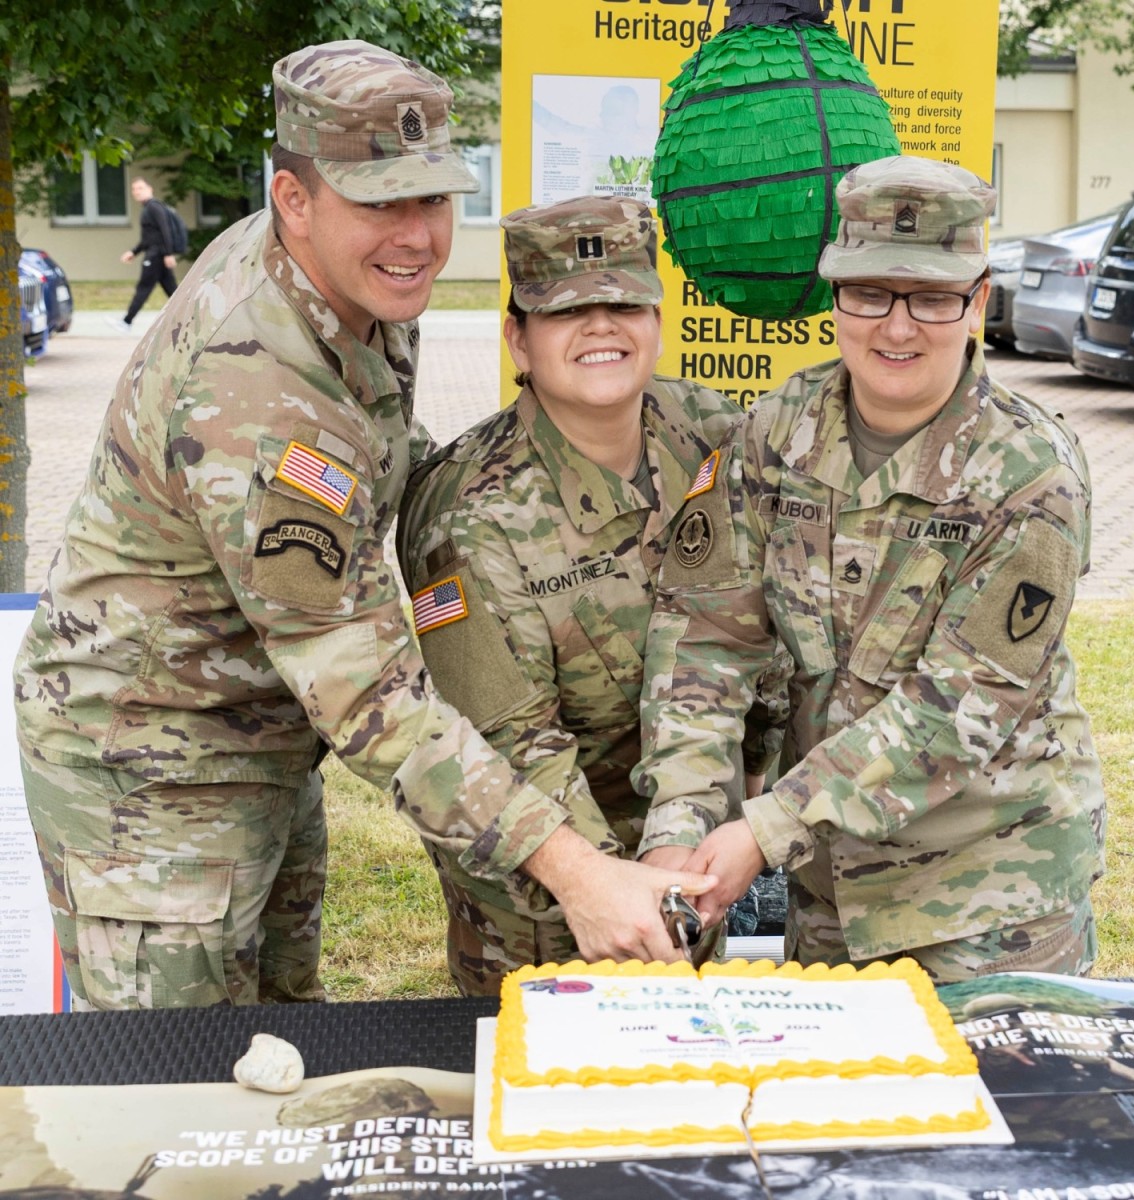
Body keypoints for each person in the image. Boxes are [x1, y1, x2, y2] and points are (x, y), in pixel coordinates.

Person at [12, 41, 715, 1012]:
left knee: (279, 1039)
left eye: (432, 198)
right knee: (170, 1095)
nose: (418, 235)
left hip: (257, 726)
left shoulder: (354, 280)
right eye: (381, 201)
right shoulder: (253, 379)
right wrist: (576, 870)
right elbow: (364, 688)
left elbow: (371, 447)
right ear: (294, 199)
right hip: (151, 766)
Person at [633, 155, 1107, 981]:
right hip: (827, 889)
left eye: (931, 297)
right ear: (834, 292)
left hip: (988, 900)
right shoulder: (777, 432)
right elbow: (706, 634)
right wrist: (681, 818)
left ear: (979, 300)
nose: (896, 327)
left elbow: (955, 711)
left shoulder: (1033, 474)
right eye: (869, 292)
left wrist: (767, 827)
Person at [399, 196, 785, 994]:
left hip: (698, 851)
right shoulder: (468, 515)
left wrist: (743, 803)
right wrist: (613, 885)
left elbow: (758, 631)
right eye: (567, 310)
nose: (602, 327)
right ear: (517, 338)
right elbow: (511, 742)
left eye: (623, 303)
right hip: (548, 891)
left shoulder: (712, 433)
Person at [111, 177, 179, 332]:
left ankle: (127, 321)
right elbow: (148, 239)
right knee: (174, 292)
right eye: (134, 189)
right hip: (157, 255)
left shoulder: (154, 207)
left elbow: (165, 229)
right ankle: (193, 319)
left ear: (150, 189)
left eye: (140, 188)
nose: (136, 191)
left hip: (156, 256)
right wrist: (133, 252)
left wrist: (169, 253)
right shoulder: (148, 209)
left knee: (144, 288)